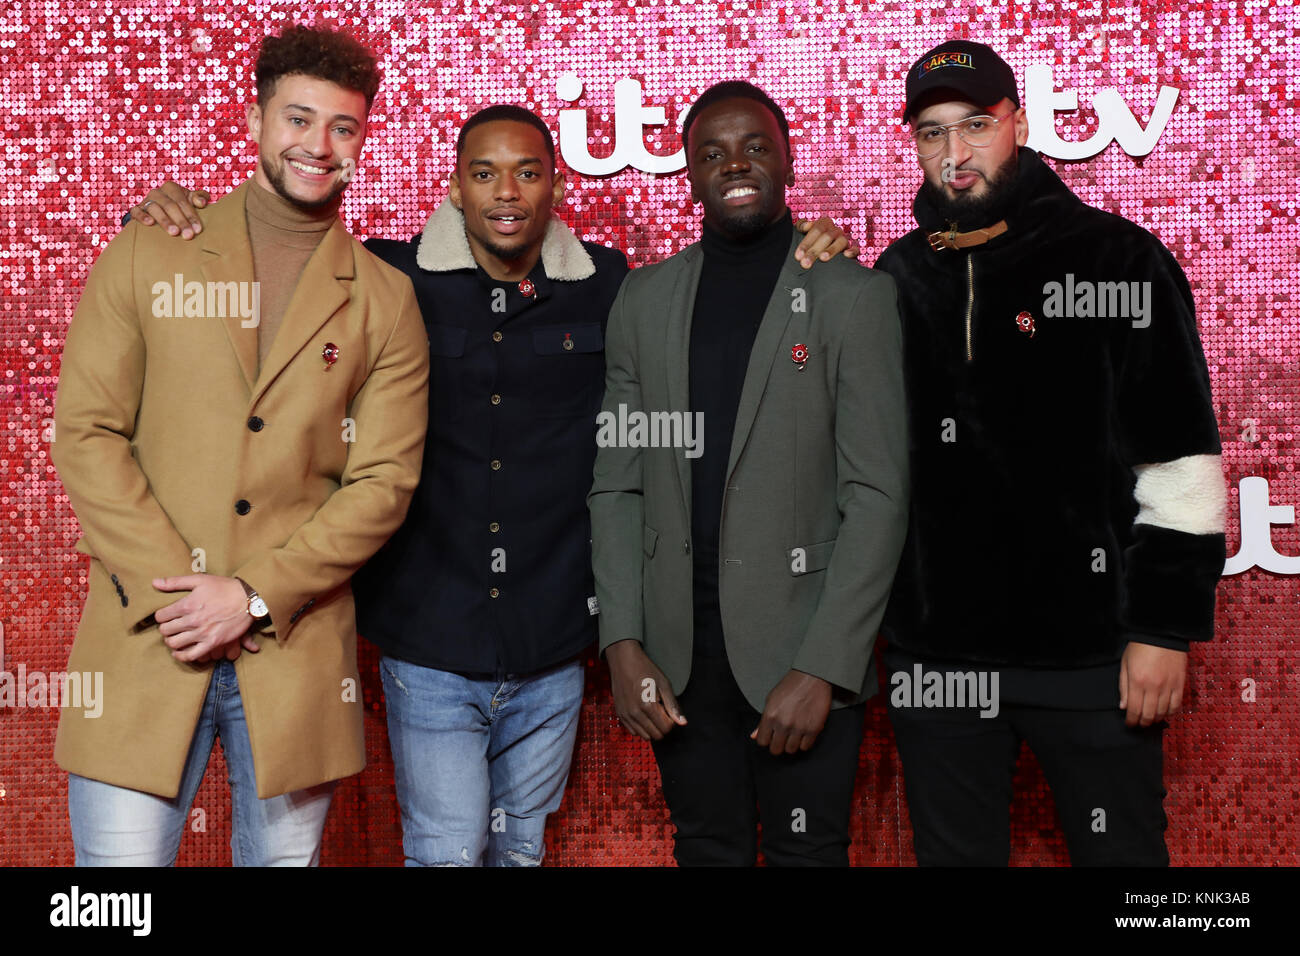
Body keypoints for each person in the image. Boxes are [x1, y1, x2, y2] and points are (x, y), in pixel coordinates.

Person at [127, 106, 856, 866]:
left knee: (521, 854)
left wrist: (809, 243)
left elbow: (722, 288)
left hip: (553, 642)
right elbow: (268, 257)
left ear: (556, 186)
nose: (506, 192)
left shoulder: (610, 285)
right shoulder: (387, 276)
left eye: (528, 173)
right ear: (453, 190)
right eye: (484, 174)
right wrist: (167, 215)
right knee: (445, 854)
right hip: (431, 640)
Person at [51, 24, 430, 866]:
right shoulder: (151, 247)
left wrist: (253, 593)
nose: (318, 145)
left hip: (292, 656)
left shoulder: (386, 298)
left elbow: (383, 483)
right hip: (145, 638)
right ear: (257, 120)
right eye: (298, 119)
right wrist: (188, 598)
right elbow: (86, 430)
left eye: (343, 127)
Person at [875, 40, 1226, 866]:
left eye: (975, 125)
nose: (954, 154)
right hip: (938, 660)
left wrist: (1163, 631)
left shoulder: (1117, 260)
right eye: (932, 133)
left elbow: (1179, 466)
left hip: (1091, 654)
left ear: (1020, 123)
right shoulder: (896, 274)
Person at [588, 81, 909, 866]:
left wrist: (825, 669)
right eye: (712, 152)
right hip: (678, 661)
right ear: (690, 173)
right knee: (705, 848)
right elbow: (618, 483)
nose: (736, 163)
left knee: (808, 854)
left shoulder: (852, 298)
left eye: (756, 146)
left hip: (800, 654)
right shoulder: (644, 297)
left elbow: (878, 495)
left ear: (789, 162)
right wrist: (622, 641)